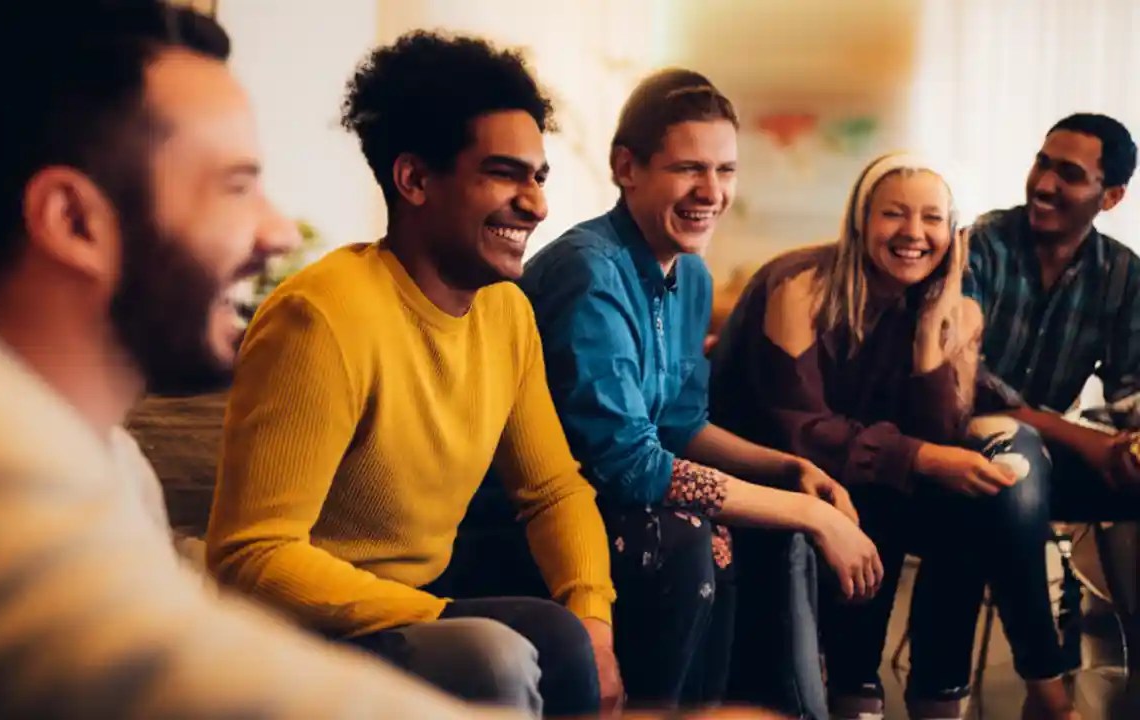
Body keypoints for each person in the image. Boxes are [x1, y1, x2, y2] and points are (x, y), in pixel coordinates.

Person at [0, 2, 528, 717]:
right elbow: (164, 677)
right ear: (73, 221)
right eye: (233, 187)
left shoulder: (108, 458)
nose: (277, 231)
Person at [206, 31, 618, 718]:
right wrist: (440, 614)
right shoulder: (322, 316)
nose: (536, 205)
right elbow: (253, 556)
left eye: (538, 177)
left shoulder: (506, 314)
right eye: (504, 173)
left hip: (418, 601)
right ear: (416, 180)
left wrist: (594, 620)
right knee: (524, 643)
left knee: (593, 603)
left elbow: (551, 491)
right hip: (302, 631)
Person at [518, 69, 881, 715]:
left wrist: (792, 470)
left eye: (725, 170)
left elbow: (681, 424)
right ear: (626, 167)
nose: (711, 193)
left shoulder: (691, 276)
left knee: (769, 516)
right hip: (540, 516)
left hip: (626, 502)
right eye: (689, 168)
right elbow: (629, 465)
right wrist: (810, 513)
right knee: (696, 535)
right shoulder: (588, 271)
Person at [710, 153, 1078, 720]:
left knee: (967, 509)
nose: (912, 233)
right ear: (861, 221)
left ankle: (939, 697)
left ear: (952, 235)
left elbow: (935, 444)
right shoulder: (801, 285)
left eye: (932, 219)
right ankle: (856, 690)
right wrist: (925, 457)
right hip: (770, 471)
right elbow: (800, 429)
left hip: (866, 474)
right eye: (894, 215)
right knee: (887, 493)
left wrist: (932, 331)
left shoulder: (961, 314)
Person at [965, 112, 1140, 693]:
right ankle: (1048, 676)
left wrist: (1133, 442)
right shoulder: (982, 244)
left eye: (1068, 173)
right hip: (961, 449)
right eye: (1043, 162)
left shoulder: (1121, 276)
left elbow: (1130, 391)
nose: (1043, 184)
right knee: (1022, 461)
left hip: (1050, 454)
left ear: (1110, 197)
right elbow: (967, 381)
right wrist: (1086, 440)